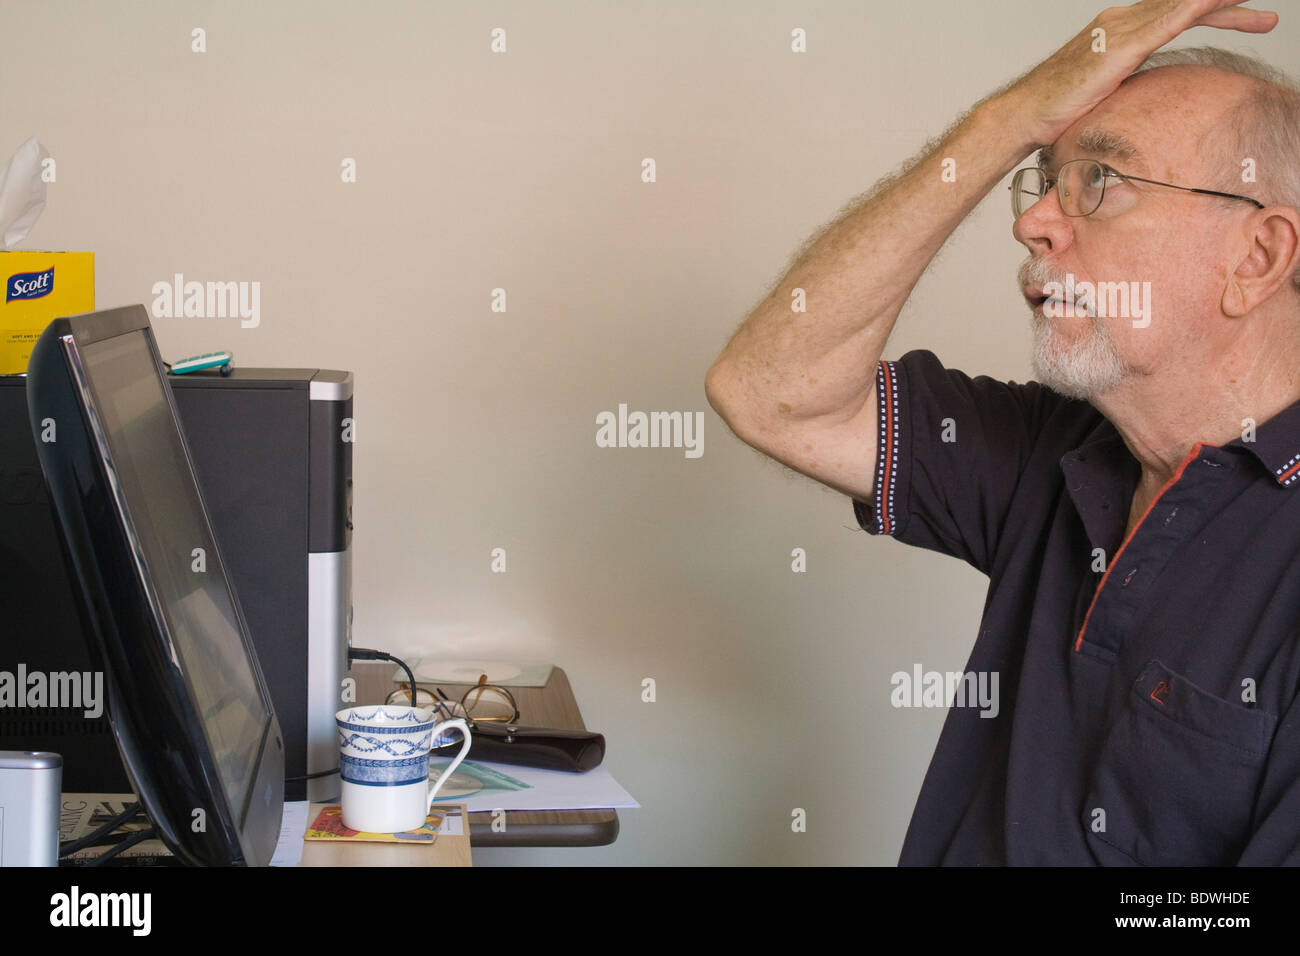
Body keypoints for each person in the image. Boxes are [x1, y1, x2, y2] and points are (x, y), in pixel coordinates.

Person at [705, 0, 1300, 865]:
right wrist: (1008, 118)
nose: (1033, 223)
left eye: (1100, 181)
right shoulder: (1055, 451)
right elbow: (768, 392)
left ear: (1256, 258)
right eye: (1044, 177)